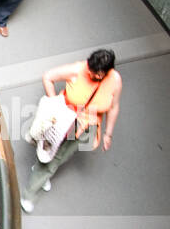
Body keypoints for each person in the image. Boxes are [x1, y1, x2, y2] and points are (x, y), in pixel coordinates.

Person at [20, 48, 122, 214]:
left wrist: (107, 133)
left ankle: (43, 173)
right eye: (89, 70)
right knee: (51, 160)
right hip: (66, 122)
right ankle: (28, 195)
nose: (89, 73)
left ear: (104, 73)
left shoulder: (115, 80)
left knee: (63, 155)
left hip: (86, 127)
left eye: (94, 73)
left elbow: (113, 107)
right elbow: (48, 77)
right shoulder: (77, 70)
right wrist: (55, 104)